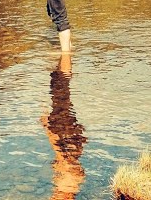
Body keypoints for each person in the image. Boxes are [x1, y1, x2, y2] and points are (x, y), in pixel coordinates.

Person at [42, 54, 86, 199]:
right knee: (60, 86)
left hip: (70, 134)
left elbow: (67, 158)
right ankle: (65, 54)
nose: (51, 197)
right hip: (62, 129)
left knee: (59, 86)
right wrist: (47, 128)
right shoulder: (67, 184)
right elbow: (61, 154)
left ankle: (64, 56)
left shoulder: (75, 184)